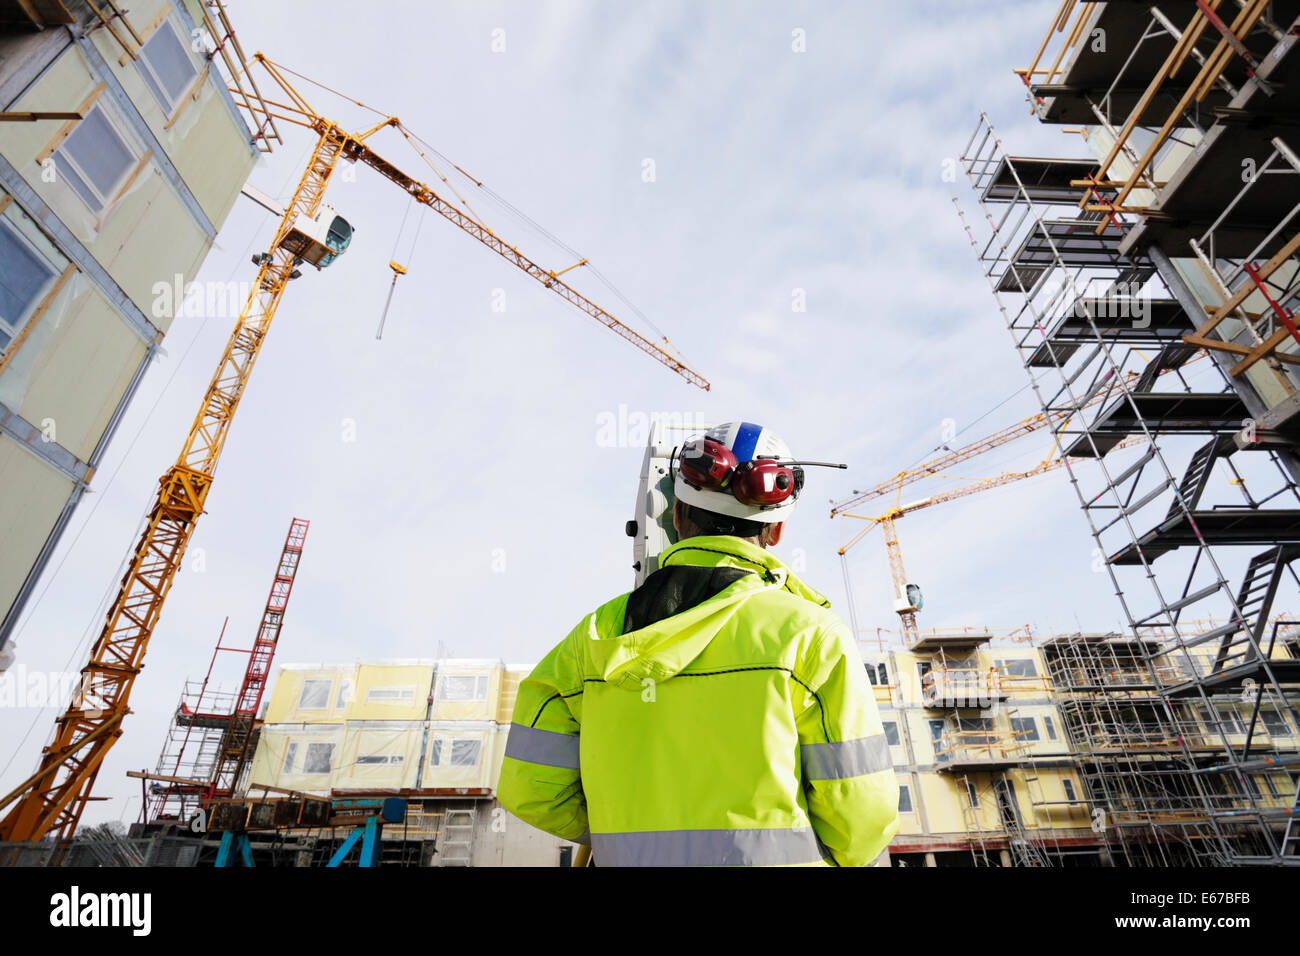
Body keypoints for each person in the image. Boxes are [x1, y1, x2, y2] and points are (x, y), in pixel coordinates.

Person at [497, 421, 900, 866]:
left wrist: (629, 836)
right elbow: (865, 817)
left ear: (675, 515)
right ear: (777, 530)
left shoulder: (594, 635)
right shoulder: (812, 635)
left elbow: (529, 787)